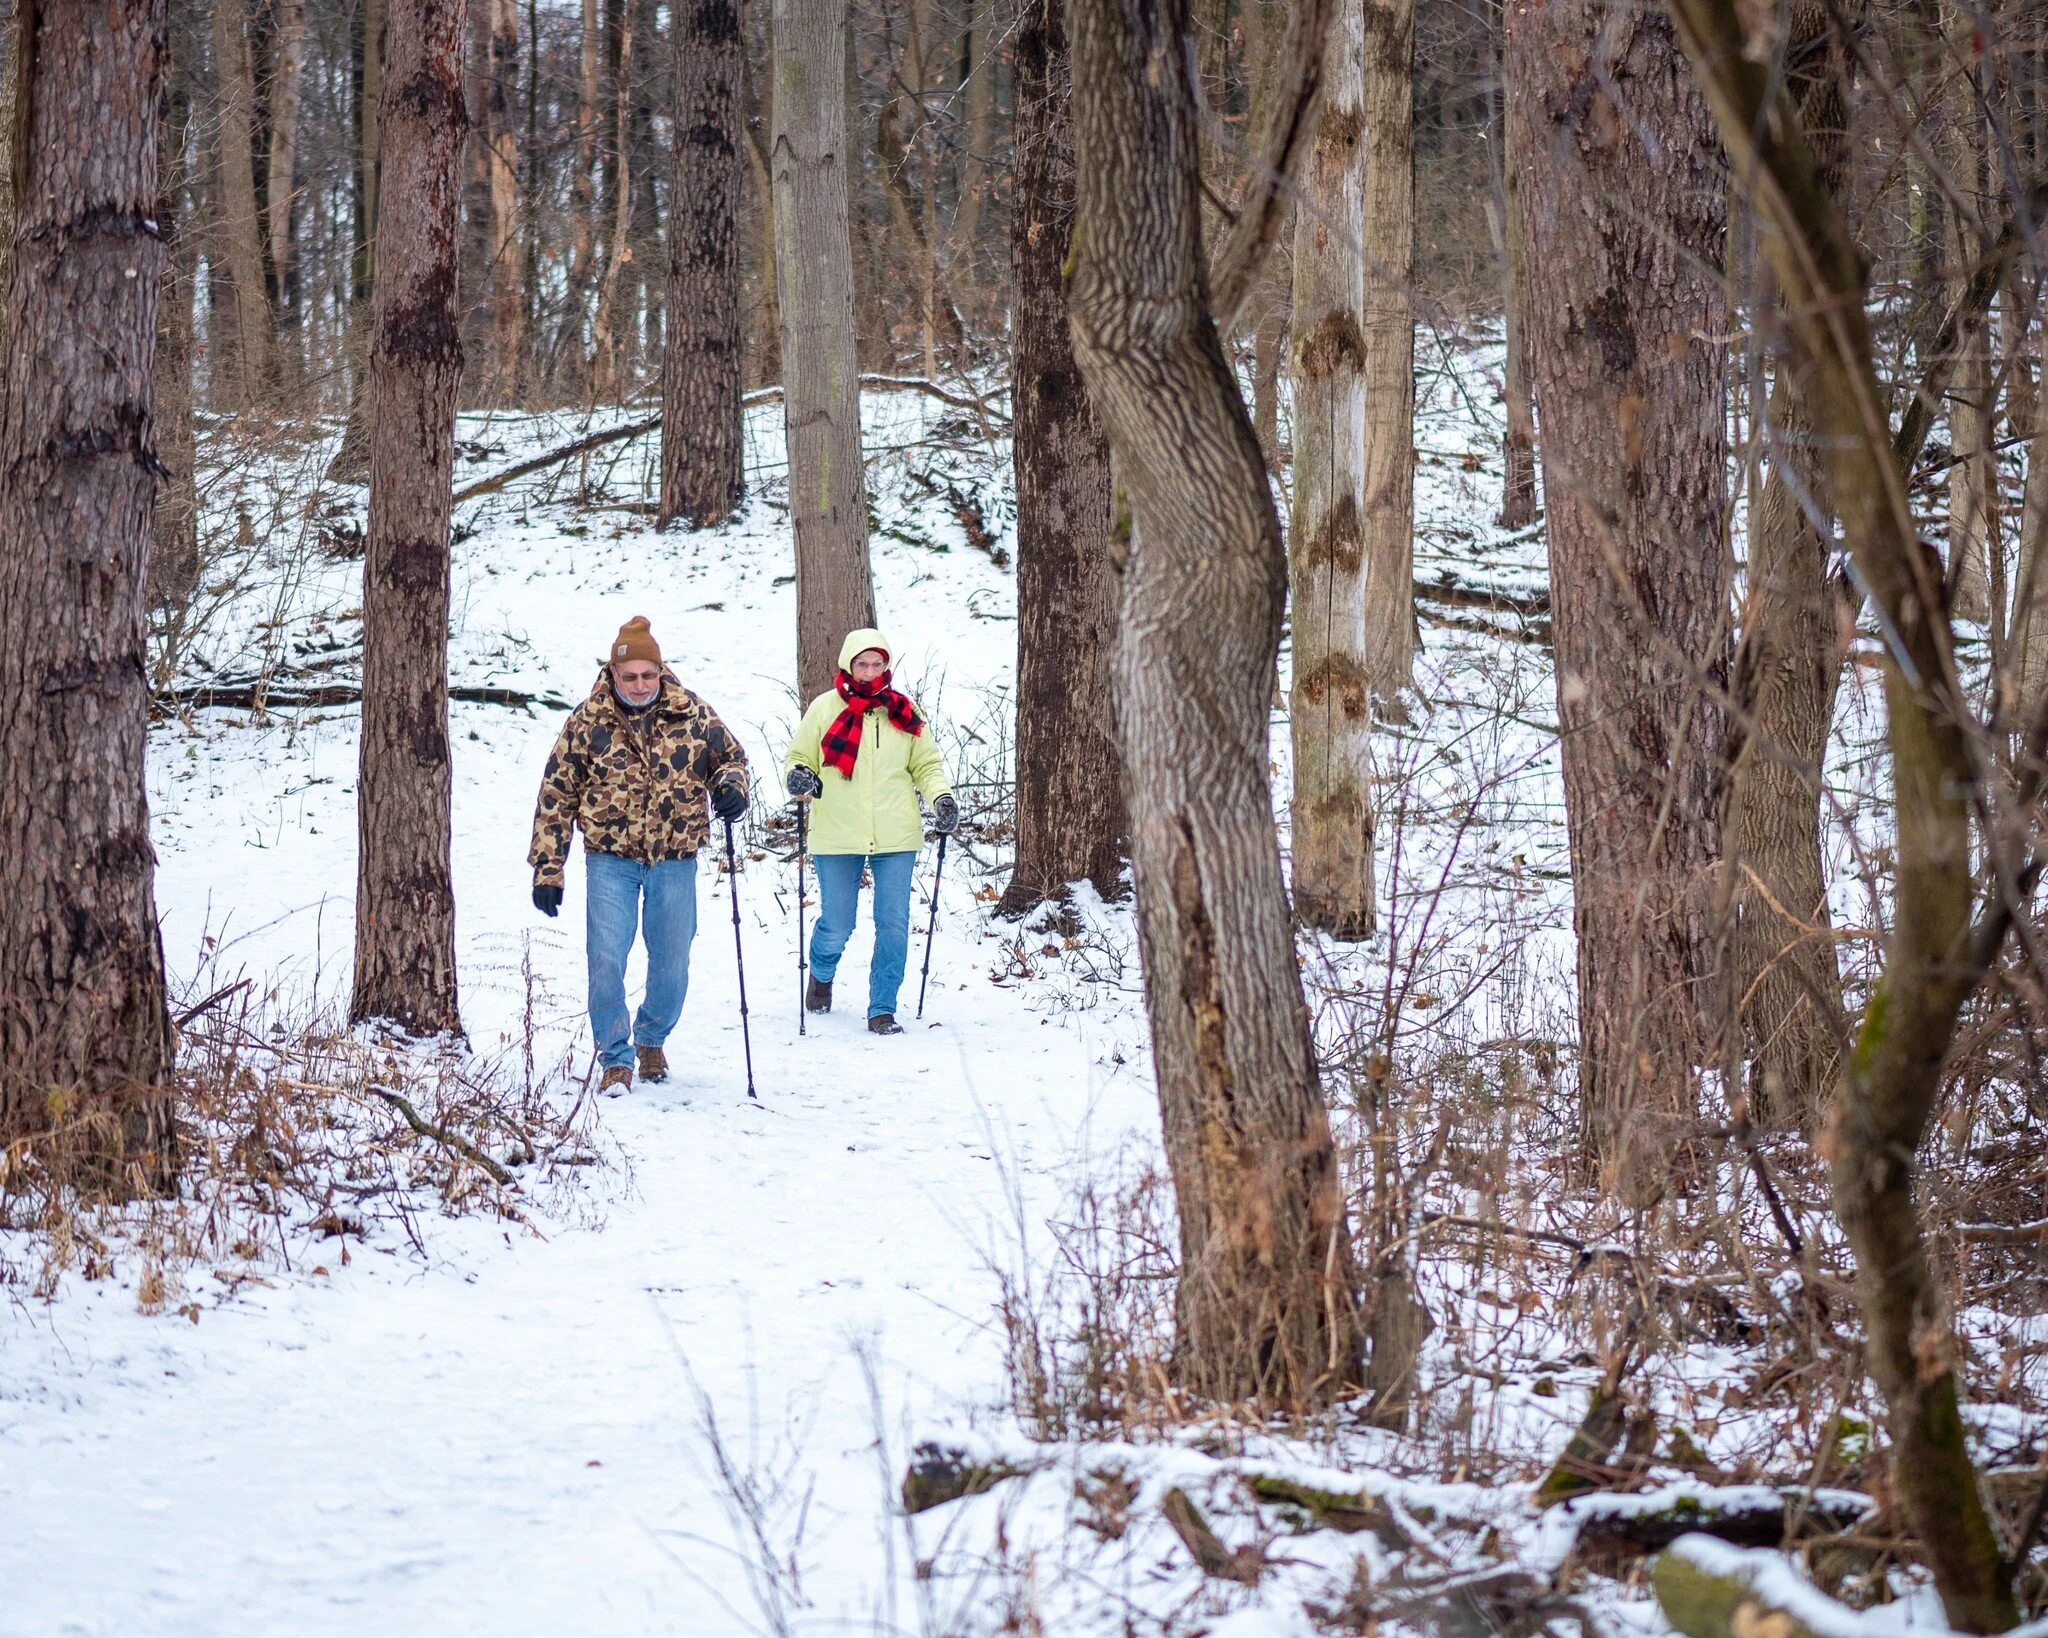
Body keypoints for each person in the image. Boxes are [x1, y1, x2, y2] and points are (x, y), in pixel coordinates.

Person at [529, 615, 750, 1093]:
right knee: (606, 957)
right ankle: (616, 1056)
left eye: (647, 674)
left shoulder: (693, 713)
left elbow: (731, 759)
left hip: (675, 857)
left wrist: (731, 788)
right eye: (629, 675)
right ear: (613, 673)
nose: (639, 684)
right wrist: (548, 868)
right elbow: (556, 793)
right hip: (611, 858)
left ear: (660, 671)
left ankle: (652, 1039)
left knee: (672, 958)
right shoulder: (588, 721)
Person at [784, 629, 957, 1035]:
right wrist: (799, 776)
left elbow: (927, 765)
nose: (869, 671)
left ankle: (882, 1008)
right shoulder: (824, 709)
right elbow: (799, 757)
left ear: (887, 666)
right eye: (862, 663)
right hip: (837, 830)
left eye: (877, 663)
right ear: (848, 665)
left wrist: (942, 798)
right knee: (838, 922)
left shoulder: (902, 711)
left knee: (893, 922)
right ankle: (821, 973)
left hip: (895, 833)